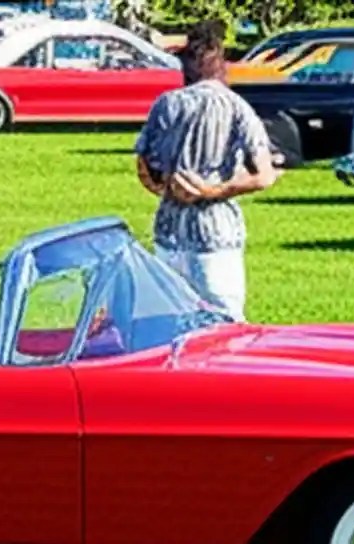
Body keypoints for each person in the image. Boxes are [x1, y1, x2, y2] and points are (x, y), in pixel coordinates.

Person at [133, 19, 280, 323]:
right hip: (216, 232)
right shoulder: (237, 107)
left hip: (169, 229)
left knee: (168, 322)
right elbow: (263, 176)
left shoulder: (167, 104)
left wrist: (165, 188)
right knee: (225, 321)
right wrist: (215, 190)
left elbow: (144, 164)